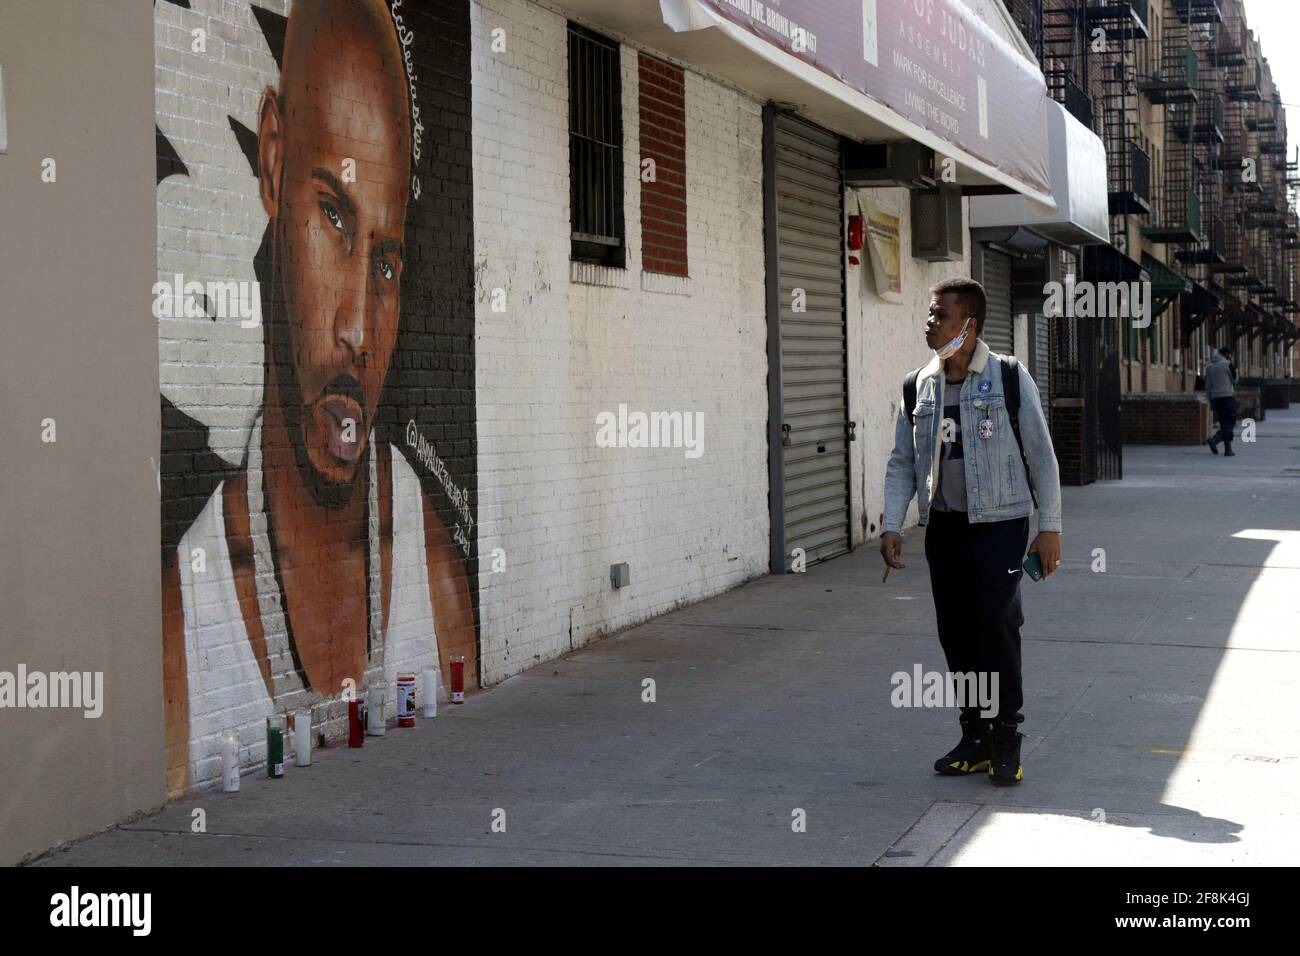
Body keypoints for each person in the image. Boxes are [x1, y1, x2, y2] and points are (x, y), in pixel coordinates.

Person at [160, 0, 476, 794]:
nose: (358, 331)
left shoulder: (434, 583)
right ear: (272, 159)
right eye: (333, 215)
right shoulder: (183, 634)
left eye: (387, 262)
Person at [879, 278, 1062, 786]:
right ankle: (974, 736)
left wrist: (1049, 528)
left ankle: (1007, 737)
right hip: (946, 528)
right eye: (930, 313)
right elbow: (902, 463)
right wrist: (893, 522)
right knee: (955, 634)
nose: (930, 322)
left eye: (940, 314)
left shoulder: (1006, 376)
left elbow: (1042, 456)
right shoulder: (919, 384)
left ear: (970, 325)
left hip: (1000, 525)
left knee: (996, 625)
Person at [1205, 346, 1238, 457]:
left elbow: (1208, 386)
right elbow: (1235, 379)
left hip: (1216, 399)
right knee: (1230, 423)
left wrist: (1211, 401)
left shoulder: (1209, 366)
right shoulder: (1227, 364)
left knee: (1224, 423)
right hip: (1227, 397)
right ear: (1228, 354)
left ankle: (1228, 450)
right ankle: (1215, 440)